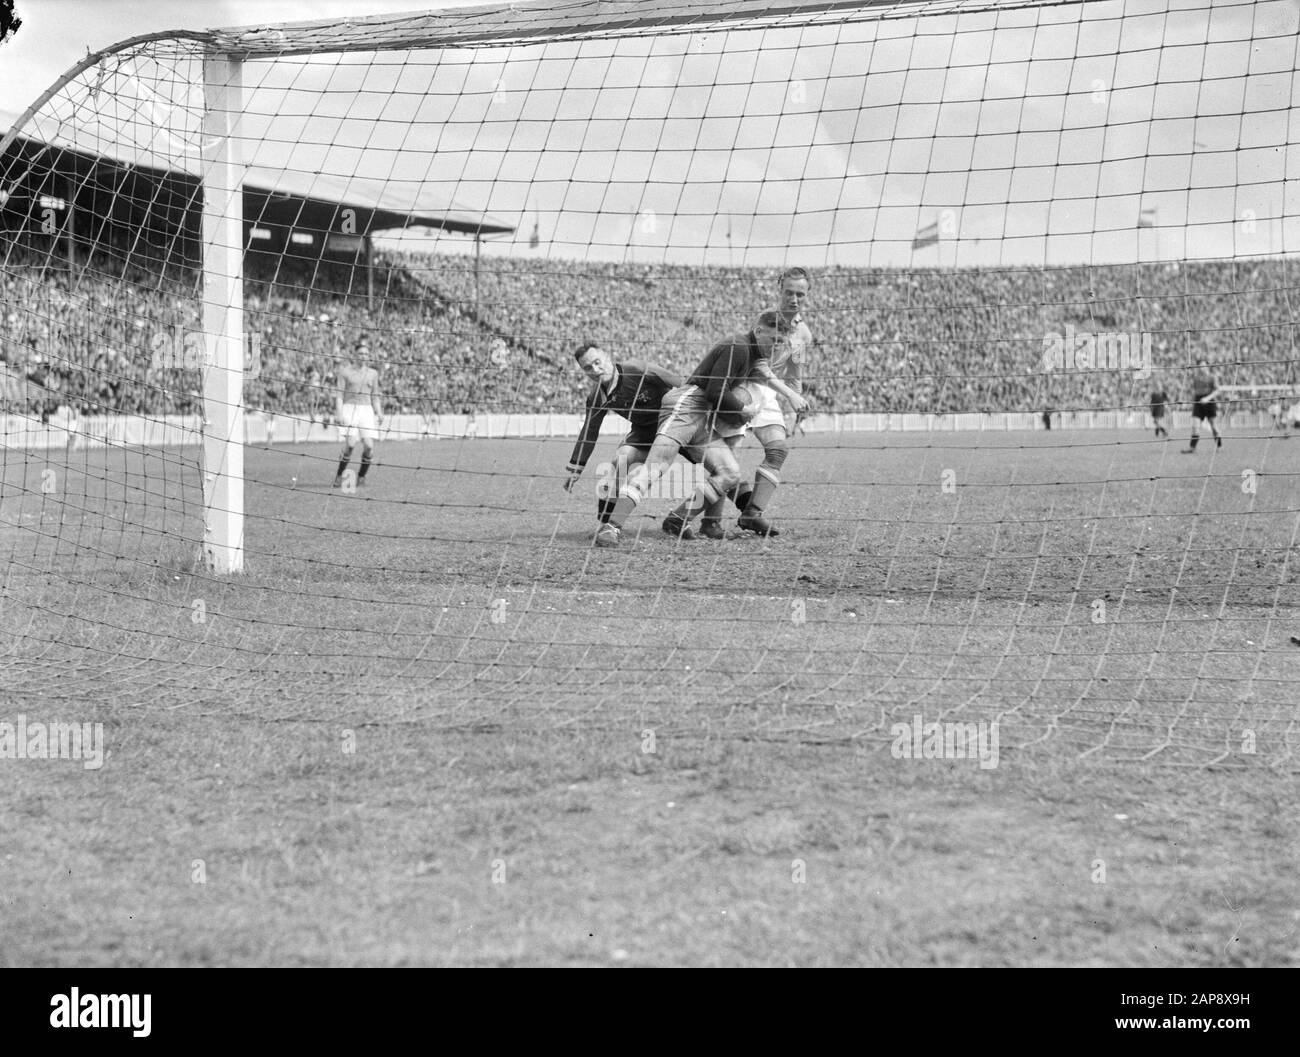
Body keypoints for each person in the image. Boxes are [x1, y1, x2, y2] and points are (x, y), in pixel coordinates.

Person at [593, 330, 767, 548]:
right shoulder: (737, 346)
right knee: (654, 466)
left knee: (730, 473)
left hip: (702, 414)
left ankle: (678, 519)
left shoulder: (756, 356)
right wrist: (742, 408)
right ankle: (611, 526)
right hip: (686, 406)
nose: (777, 346)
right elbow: (712, 390)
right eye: (775, 340)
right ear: (761, 331)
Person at [707, 270, 813, 537]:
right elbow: (757, 364)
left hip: (769, 395)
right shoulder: (764, 321)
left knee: (778, 450)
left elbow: (794, 372)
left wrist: (794, 408)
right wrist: (789, 395)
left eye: (800, 294)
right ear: (779, 291)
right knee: (727, 461)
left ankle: (752, 513)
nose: (794, 299)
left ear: (807, 295)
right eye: (789, 292)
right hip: (743, 388)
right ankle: (711, 523)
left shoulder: (802, 334)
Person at [563, 343, 694, 526]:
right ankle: (607, 522)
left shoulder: (637, 369)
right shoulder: (596, 397)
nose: (595, 369)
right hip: (644, 431)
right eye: (588, 368)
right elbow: (589, 431)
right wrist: (575, 468)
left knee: (716, 465)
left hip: (675, 424)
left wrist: (697, 413)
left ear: (607, 356)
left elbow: (680, 383)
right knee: (620, 459)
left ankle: (716, 517)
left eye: (597, 362)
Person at [332, 341, 383, 487]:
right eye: (361, 353)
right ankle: (339, 476)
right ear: (355, 355)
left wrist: (379, 412)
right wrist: (339, 413)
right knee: (350, 443)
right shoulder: (345, 372)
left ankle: (361, 476)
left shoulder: (373, 373)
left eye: (366, 354)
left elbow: (375, 395)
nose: (363, 356)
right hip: (350, 408)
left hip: (366, 410)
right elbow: (339, 394)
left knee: (369, 446)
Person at [1182, 359, 1222, 453]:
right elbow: (1194, 390)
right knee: (1195, 426)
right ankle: (1192, 448)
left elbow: (1218, 390)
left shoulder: (1212, 377)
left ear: (1207, 366)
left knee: (1214, 427)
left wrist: (1207, 398)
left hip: (1209, 402)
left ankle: (1219, 446)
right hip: (1198, 402)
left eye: (1203, 366)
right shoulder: (1196, 378)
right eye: (1199, 366)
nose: (1201, 368)